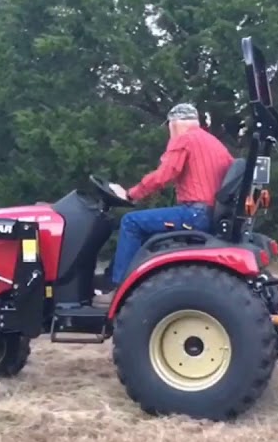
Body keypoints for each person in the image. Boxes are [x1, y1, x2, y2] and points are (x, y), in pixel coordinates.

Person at [95, 102, 234, 304]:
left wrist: (131, 194)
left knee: (131, 222)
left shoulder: (184, 139)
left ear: (175, 123)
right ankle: (118, 278)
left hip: (195, 214)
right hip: (210, 214)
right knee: (146, 227)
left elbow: (164, 175)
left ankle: (118, 288)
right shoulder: (215, 144)